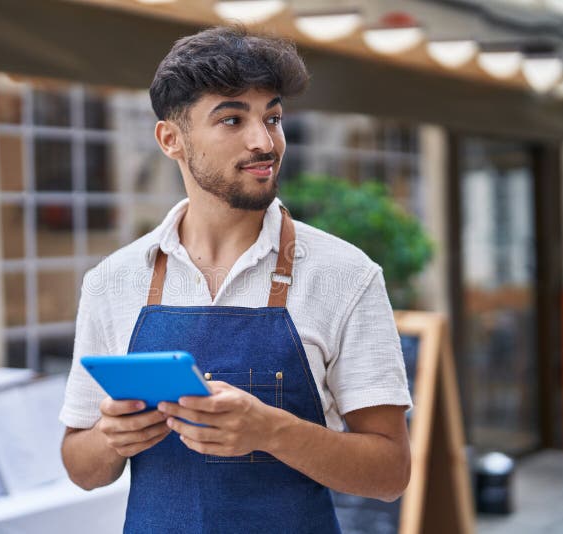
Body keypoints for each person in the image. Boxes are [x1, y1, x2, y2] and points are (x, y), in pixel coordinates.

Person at [60, 26, 412, 533]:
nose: (264, 141)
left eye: (272, 117)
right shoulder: (112, 282)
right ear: (171, 139)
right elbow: (79, 466)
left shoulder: (346, 276)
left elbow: (390, 474)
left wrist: (272, 431)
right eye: (232, 119)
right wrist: (111, 437)